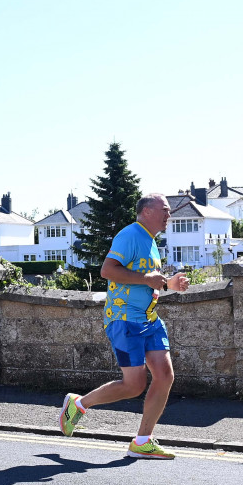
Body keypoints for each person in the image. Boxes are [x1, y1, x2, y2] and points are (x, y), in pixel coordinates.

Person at [58, 194, 190, 459]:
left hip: (149, 319)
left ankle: (143, 440)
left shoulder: (151, 242)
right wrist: (147, 279)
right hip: (125, 319)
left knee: (165, 376)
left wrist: (168, 284)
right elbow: (108, 271)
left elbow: (149, 281)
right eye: (165, 210)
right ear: (146, 211)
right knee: (134, 385)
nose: (169, 215)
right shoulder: (130, 235)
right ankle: (79, 404)